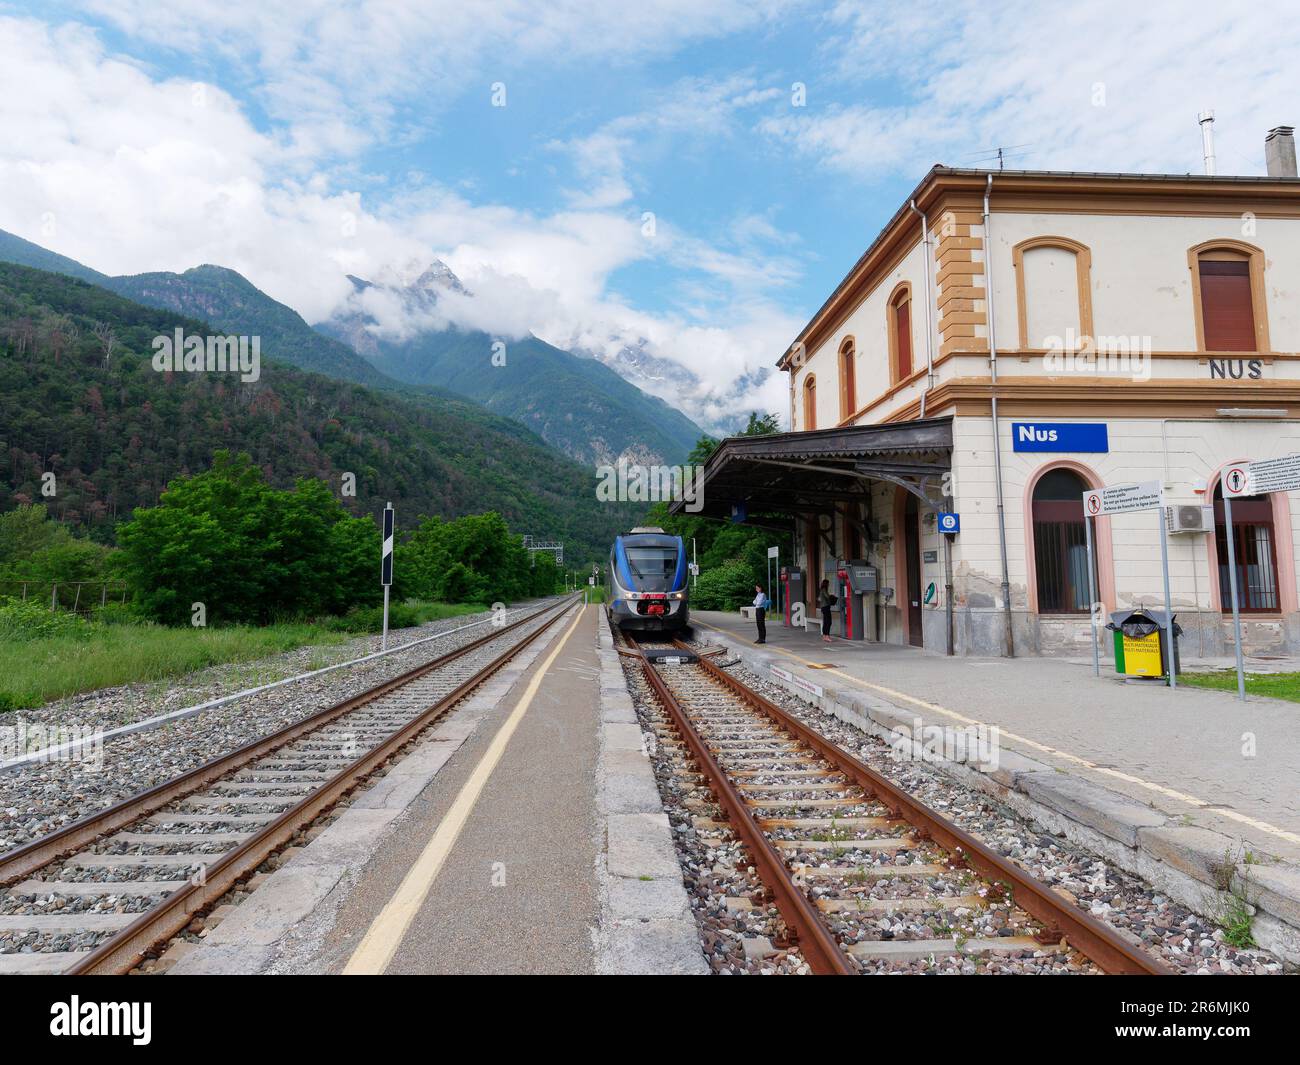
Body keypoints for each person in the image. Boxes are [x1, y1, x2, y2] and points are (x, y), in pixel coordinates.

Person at [817, 578, 836, 642]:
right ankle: (827, 636)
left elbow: (819, 599)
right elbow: (827, 597)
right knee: (828, 622)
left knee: (825, 622)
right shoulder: (824, 589)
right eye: (828, 583)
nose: (829, 585)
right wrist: (831, 596)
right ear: (826, 584)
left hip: (823, 607)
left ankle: (824, 636)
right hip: (826, 607)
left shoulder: (821, 590)